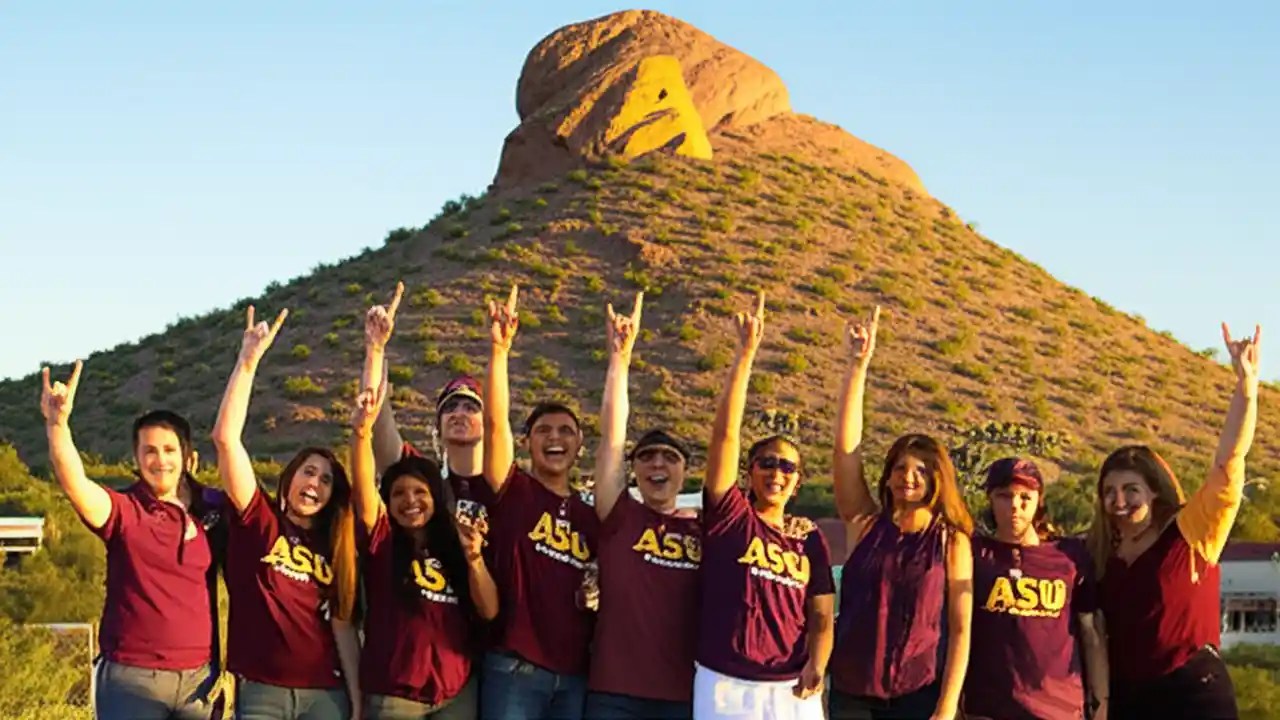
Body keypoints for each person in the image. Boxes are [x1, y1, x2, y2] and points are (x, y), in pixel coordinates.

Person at [1087, 323, 1261, 720]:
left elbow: (1228, 461)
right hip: (1128, 698)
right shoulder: (1098, 551)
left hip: (1192, 693)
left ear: (1154, 491)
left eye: (1131, 489)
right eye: (1109, 491)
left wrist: (1246, 391)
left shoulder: (1190, 532)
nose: (1119, 501)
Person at [41, 362, 224, 719]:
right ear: (137, 458)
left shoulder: (214, 506)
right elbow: (75, 482)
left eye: (169, 450)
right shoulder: (125, 510)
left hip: (200, 681)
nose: (160, 460)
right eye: (149, 451)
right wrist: (57, 426)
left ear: (188, 456)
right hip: (131, 679)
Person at [211, 306, 359, 719]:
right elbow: (225, 440)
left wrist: (358, 699)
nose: (314, 484)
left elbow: (344, 629)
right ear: (290, 479)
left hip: (326, 695)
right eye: (308, 473)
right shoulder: (259, 521)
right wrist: (248, 361)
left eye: (326, 480)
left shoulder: (336, 546)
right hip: (262, 692)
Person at [693, 293, 835, 720]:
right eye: (767, 463)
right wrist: (745, 356)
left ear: (797, 480)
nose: (777, 472)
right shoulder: (731, 517)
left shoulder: (807, 537)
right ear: (750, 471)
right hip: (726, 682)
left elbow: (822, 615)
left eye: (787, 466)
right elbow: (724, 439)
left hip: (790, 686)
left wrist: (818, 663)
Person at [828, 307, 974, 720]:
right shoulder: (865, 523)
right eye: (899, 468)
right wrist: (857, 368)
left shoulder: (951, 539)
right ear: (888, 476)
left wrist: (947, 706)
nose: (908, 478)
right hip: (852, 692)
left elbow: (961, 629)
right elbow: (845, 451)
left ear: (937, 479)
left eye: (920, 471)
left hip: (918, 694)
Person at [476, 285, 599, 720]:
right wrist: (499, 351)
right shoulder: (514, 490)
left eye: (566, 431)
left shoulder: (592, 514)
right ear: (527, 442)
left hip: (574, 677)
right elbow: (493, 425)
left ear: (580, 445)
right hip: (515, 668)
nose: (555, 438)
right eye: (544, 430)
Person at [348, 370, 499, 719]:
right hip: (400, 680)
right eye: (450, 408)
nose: (460, 413)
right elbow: (379, 437)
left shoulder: (505, 489)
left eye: (471, 407)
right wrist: (376, 350)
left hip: (466, 675)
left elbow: (488, 608)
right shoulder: (424, 485)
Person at [585, 293, 700, 720]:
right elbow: (612, 437)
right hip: (615, 693)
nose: (657, 464)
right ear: (633, 469)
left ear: (685, 473)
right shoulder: (620, 517)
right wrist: (620, 359)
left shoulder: (702, 529)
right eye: (647, 457)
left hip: (680, 693)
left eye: (669, 458)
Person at [962, 457, 1108, 720]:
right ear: (991, 500)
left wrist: (1101, 702)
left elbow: (1091, 632)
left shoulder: (1068, 556)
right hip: (989, 709)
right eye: (1004, 496)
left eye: (1025, 498)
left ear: (1039, 500)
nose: (1015, 506)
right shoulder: (974, 554)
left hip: (1058, 708)